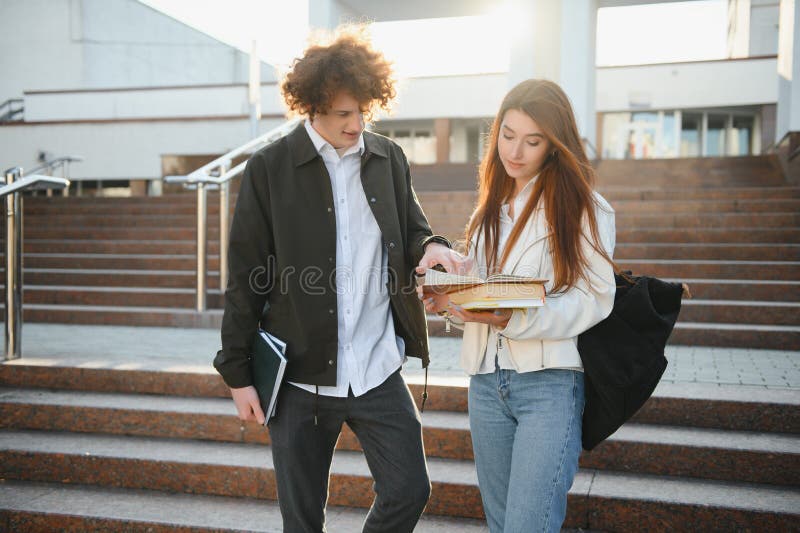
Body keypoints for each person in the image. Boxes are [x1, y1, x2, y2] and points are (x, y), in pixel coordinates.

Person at [213, 26, 463, 533]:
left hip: (377, 366)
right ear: (312, 107)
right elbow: (245, 277)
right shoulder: (269, 167)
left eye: (363, 111)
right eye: (343, 114)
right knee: (302, 520)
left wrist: (432, 246)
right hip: (299, 375)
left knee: (409, 490)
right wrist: (237, 373)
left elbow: (412, 229)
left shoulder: (387, 157)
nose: (357, 124)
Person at [419, 79, 616, 532]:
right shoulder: (490, 210)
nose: (514, 151)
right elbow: (483, 295)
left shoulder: (585, 207)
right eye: (507, 135)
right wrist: (447, 299)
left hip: (549, 384)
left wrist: (516, 318)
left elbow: (594, 299)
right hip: (486, 384)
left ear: (555, 145)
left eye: (532, 141)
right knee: (501, 524)